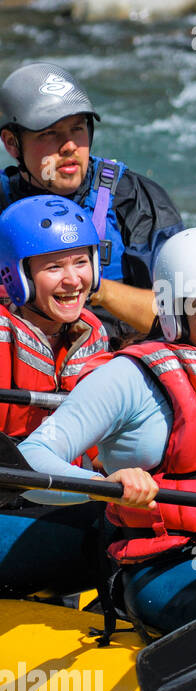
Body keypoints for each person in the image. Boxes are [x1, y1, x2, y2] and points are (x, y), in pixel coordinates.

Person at [18, 226, 196, 633]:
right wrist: (99, 483)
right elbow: (31, 460)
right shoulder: (129, 377)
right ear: (172, 305)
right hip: (167, 569)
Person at [0, 62, 184, 343]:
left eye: (77, 129)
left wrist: (91, 286)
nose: (70, 146)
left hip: (112, 364)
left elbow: (183, 315)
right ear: (12, 143)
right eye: (49, 133)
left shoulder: (133, 199)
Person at [0, 194, 110, 598]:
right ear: (17, 273)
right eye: (54, 266)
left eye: (81, 262)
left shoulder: (92, 335)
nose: (72, 279)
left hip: (61, 498)